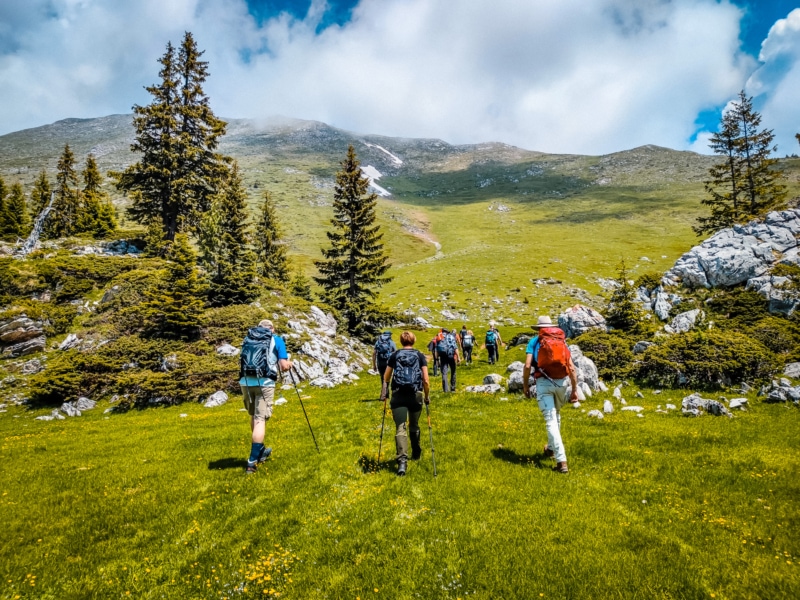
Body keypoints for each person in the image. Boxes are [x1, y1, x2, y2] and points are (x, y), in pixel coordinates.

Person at [522, 316, 579, 474]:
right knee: (557, 415)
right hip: (561, 383)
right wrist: (574, 389)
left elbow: (527, 366)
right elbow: (571, 367)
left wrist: (525, 385)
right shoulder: (561, 341)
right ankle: (551, 449)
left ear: (538, 328)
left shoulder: (534, 341)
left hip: (544, 383)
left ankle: (561, 460)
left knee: (550, 420)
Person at [239, 319, 292, 474]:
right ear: (272, 329)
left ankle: (260, 450)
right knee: (260, 419)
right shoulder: (276, 339)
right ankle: (252, 462)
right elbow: (283, 366)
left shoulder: (248, 338)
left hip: (246, 382)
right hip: (265, 383)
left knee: (253, 415)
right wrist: (290, 363)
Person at [381, 331, 431, 476]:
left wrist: (386, 390)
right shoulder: (420, 356)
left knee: (400, 428)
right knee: (414, 425)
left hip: (398, 394)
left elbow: (386, 376)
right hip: (415, 394)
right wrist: (426, 396)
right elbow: (426, 380)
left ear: (401, 341)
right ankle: (416, 452)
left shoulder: (395, 355)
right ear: (413, 341)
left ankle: (402, 462)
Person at [372, 330, 396, 398]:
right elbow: (395, 353)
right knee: (387, 378)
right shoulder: (391, 342)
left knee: (383, 378)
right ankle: (383, 395)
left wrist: (374, 365)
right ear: (390, 335)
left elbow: (374, 354)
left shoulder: (378, 342)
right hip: (388, 363)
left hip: (380, 363)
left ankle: (386, 393)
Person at [436, 328, 460, 392]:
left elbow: (437, 350)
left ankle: (445, 389)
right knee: (453, 371)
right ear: (447, 332)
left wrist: (436, 359)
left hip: (443, 356)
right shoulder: (451, 336)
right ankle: (452, 388)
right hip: (450, 355)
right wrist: (458, 357)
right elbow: (455, 347)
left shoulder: (439, 337)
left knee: (444, 373)